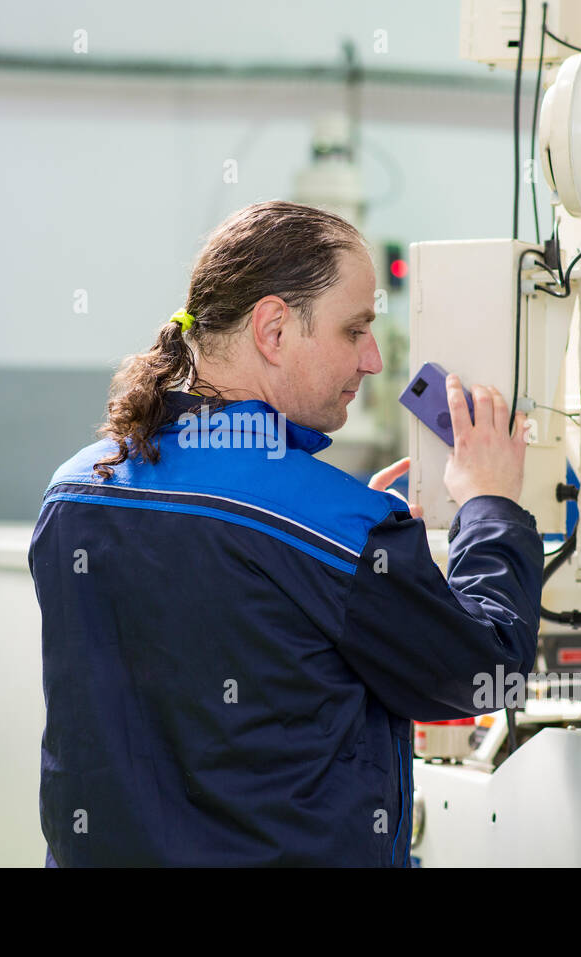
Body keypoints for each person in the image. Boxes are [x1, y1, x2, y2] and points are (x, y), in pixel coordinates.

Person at [29, 200, 542, 866]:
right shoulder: (338, 529)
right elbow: (488, 672)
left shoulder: (72, 491)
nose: (374, 358)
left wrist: (368, 536)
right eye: (354, 329)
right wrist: (491, 506)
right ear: (273, 329)